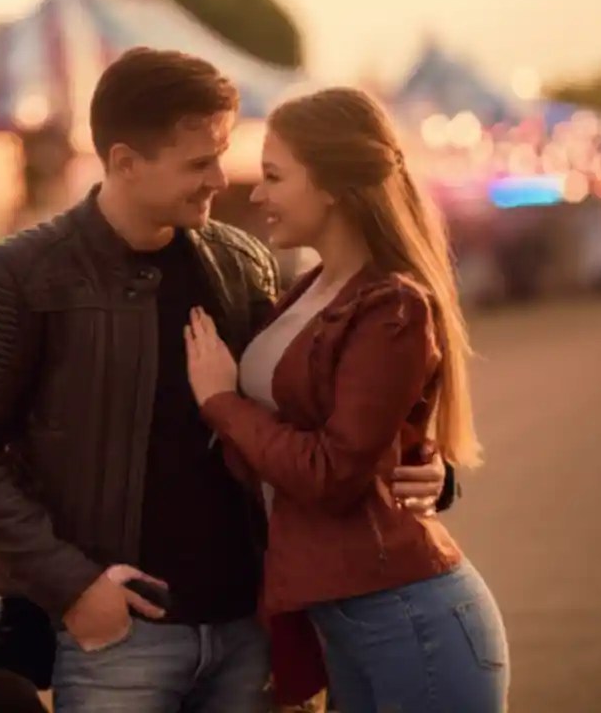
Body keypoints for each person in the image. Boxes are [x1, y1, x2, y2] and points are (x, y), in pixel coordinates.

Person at [0, 48, 455, 713]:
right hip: (116, 638)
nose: (218, 180)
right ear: (124, 162)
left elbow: (322, 405)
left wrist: (425, 464)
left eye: (222, 154)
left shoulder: (246, 262)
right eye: (198, 163)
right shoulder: (23, 273)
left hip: (249, 628)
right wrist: (76, 589)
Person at [185, 87, 509, 711]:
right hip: (352, 618)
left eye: (275, 176)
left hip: (409, 620)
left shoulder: (392, 307)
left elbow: (331, 472)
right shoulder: (307, 292)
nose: (256, 192)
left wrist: (222, 402)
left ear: (330, 185)